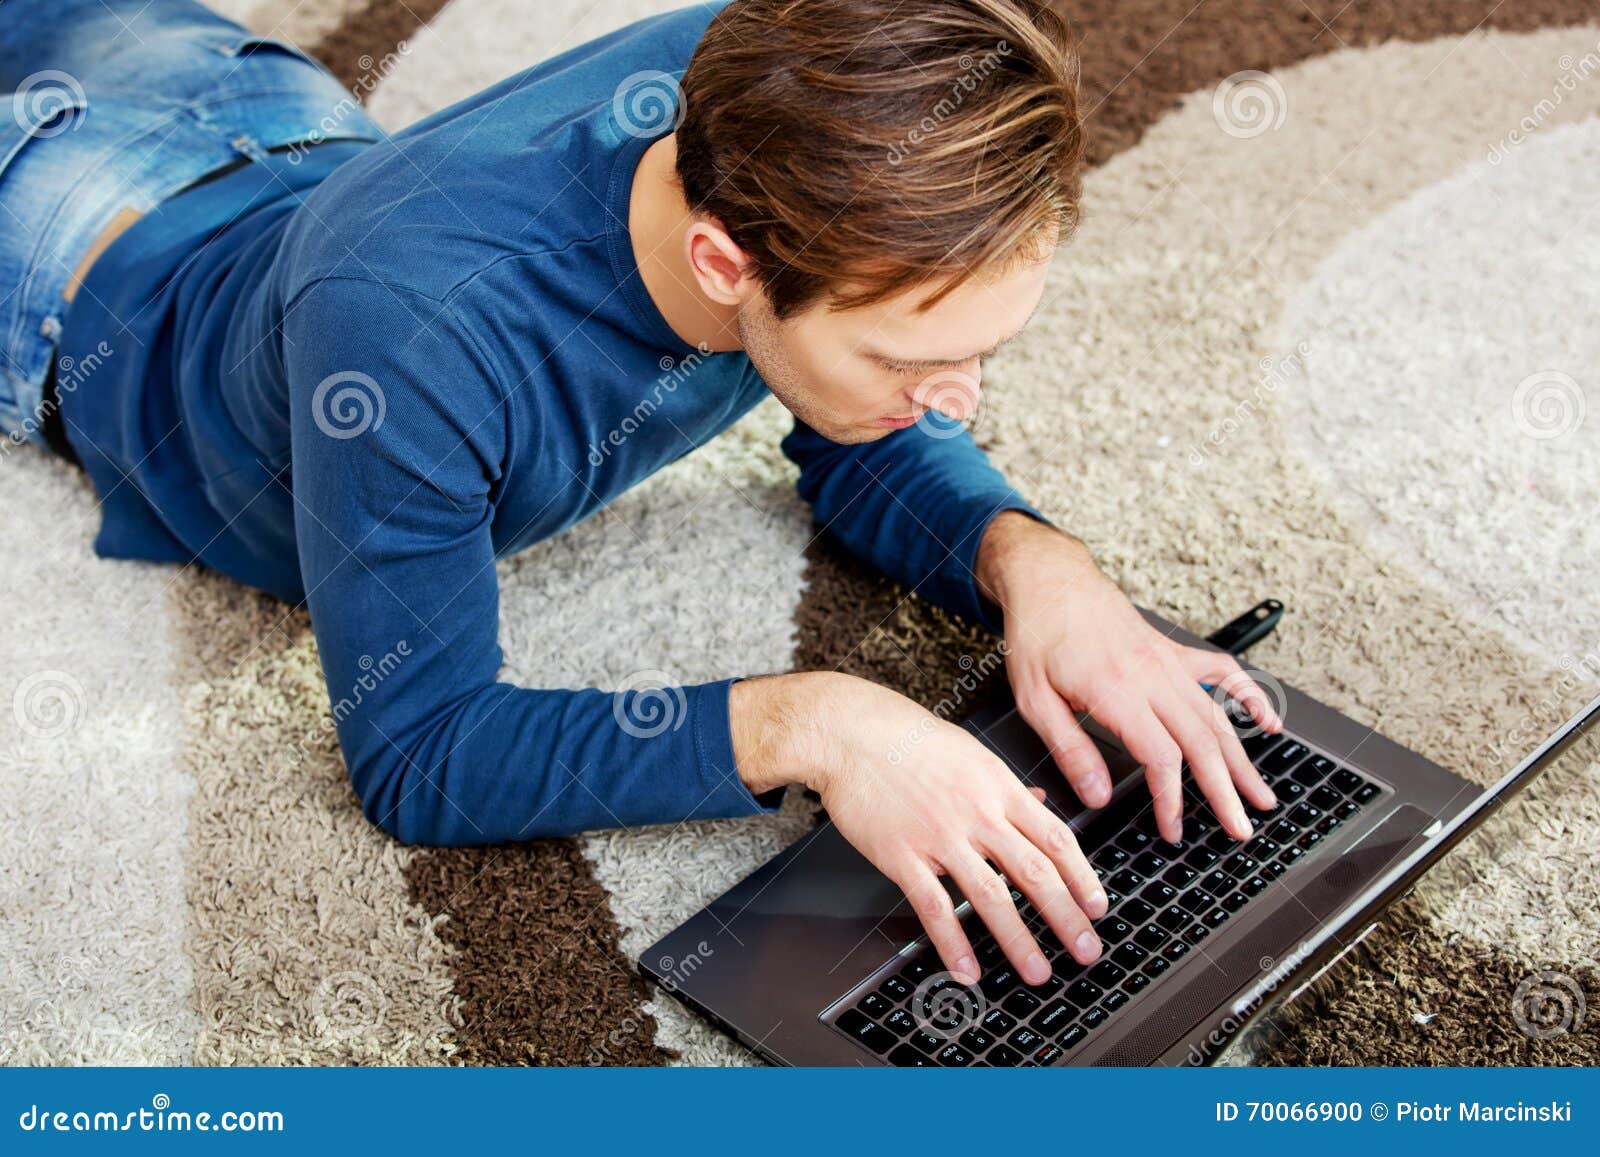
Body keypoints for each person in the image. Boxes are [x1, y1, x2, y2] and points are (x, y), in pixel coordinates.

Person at [0, 0, 1279, 990]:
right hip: (61, 243)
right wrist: (816, 725)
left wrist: (1037, 563)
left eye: (979, 350)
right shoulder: (411, 338)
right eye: (909, 361)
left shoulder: (795, 92)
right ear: (722, 263)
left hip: (246, 100)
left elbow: (857, 431)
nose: (959, 398)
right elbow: (423, 752)